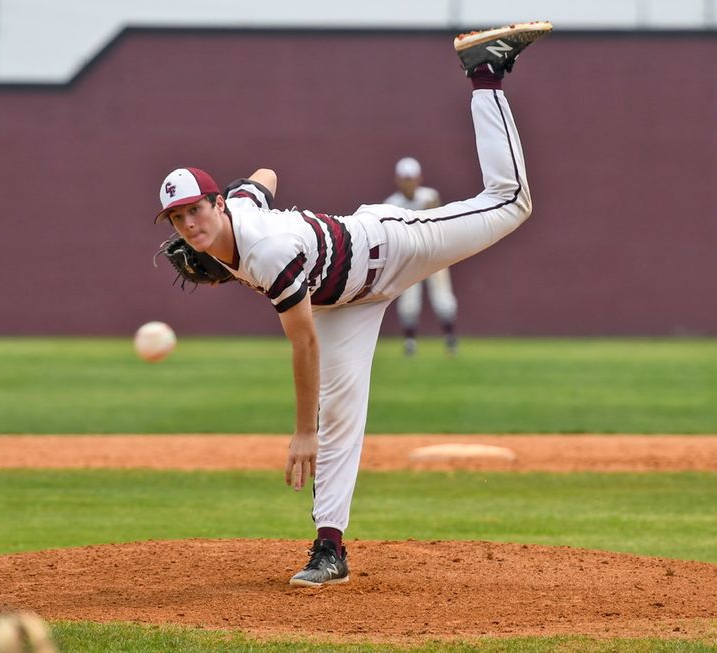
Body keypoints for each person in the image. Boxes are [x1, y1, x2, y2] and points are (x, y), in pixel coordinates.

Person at [154, 21, 551, 587]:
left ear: (218, 203)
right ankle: (329, 550)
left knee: (511, 203)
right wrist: (237, 211)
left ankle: (485, 74)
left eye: (197, 210)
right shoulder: (236, 210)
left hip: (388, 248)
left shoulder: (266, 252)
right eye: (177, 218)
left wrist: (301, 431)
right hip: (346, 302)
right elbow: (264, 177)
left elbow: (303, 342)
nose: (189, 224)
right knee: (341, 416)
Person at [383, 157, 459, 356]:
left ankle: (450, 339)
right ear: (398, 180)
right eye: (405, 179)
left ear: (419, 179)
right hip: (410, 257)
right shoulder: (392, 204)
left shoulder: (429, 197)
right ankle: (410, 342)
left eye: (411, 178)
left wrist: (432, 210)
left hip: (434, 255)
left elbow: (440, 221)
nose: (409, 183)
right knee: (409, 302)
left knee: (443, 299)